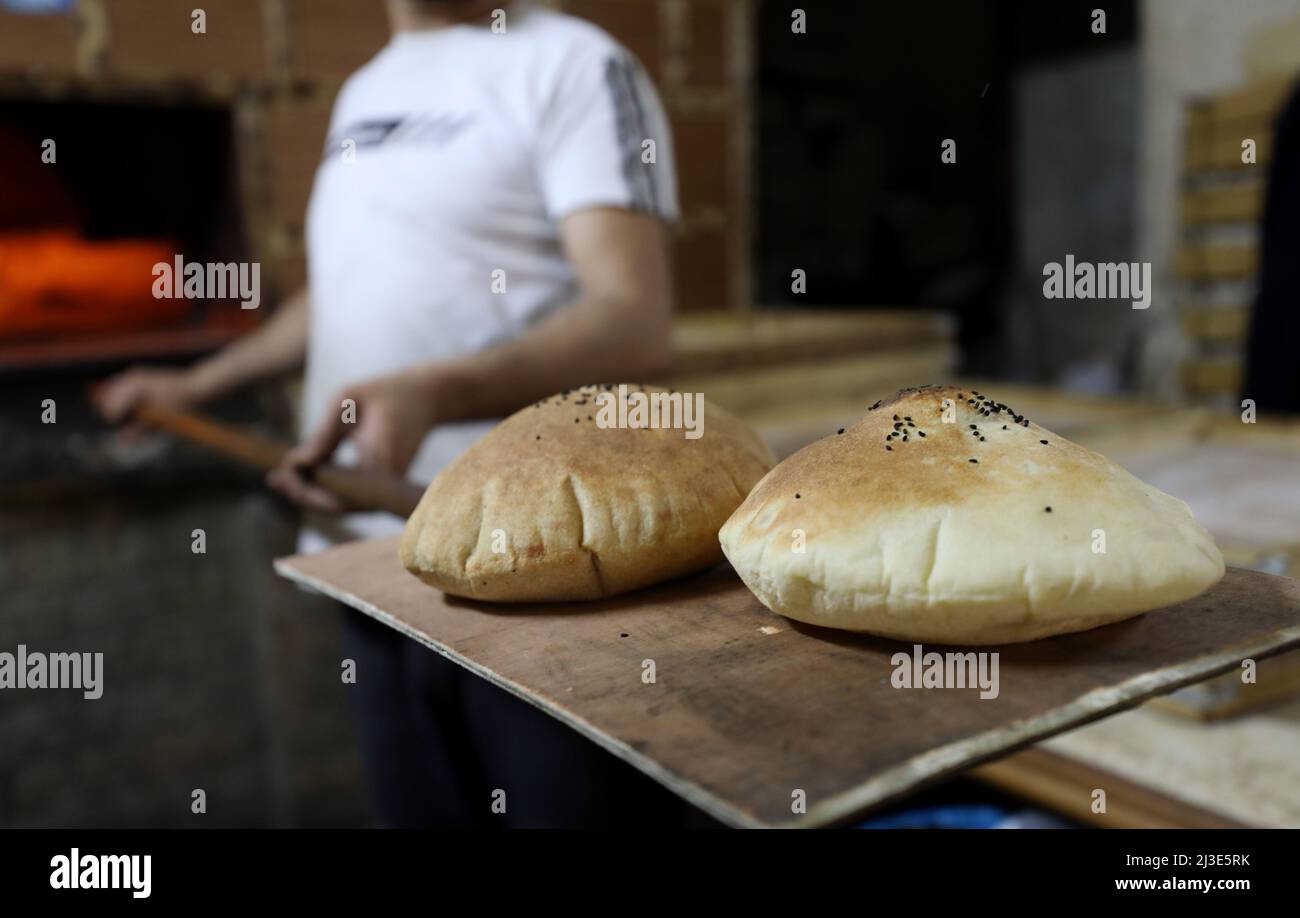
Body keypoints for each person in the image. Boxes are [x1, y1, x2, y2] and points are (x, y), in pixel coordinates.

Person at [96, 0, 686, 827]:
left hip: (527, 571)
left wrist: (435, 393)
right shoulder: (366, 91)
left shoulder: (574, 64)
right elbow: (338, 296)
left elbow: (634, 320)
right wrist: (201, 384)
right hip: (373, 557)